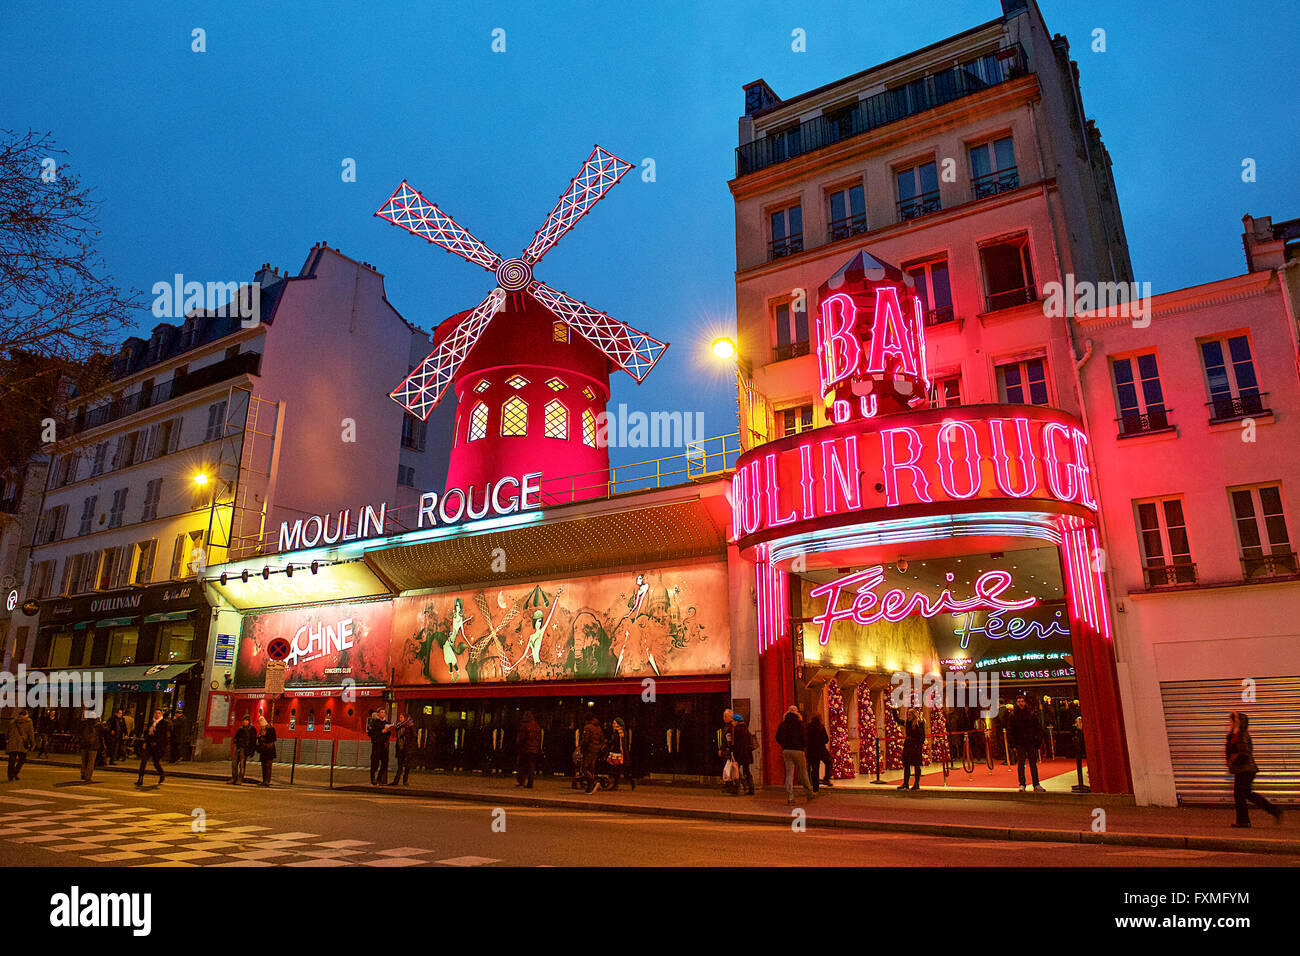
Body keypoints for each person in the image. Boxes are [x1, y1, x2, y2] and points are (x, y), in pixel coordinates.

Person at [1227, 711, 1282, 828]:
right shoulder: (1236, 735)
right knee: (1246, 794)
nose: (1229, 723)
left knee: (1240, 795)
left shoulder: (1241, 735)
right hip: (1243, 770)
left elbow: (1244, 753)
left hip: (1246, 770)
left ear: (1238, 723)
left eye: (1231, 721)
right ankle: (1273, 810)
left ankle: (1244, 821)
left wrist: (1233, 762)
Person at [775, 705, 815, 805]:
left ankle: (790, 797)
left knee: (789, 775)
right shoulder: (800, 723)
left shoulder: (783, 724)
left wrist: (784, 744)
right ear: (797, 712)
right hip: (798, 750)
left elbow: (778, 737)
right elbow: (805, 737)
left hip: (786, 750)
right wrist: (803, 745)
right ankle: (809, 792)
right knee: (803, 772)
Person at [1009, 695, 1045, 792]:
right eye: (1019, 701)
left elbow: (1038, 728)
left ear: (1025, 702)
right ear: (1017, 703)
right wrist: (1013, 744)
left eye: (1022, 701)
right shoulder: (1013, 715)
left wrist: (1037, 741)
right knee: (1021, 764)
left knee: (1033, 764)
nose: (1020, 703)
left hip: (1030, 742)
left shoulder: (1031, 714)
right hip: (1020, 742)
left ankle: (1036, 784)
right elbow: (1011, 730)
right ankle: (1022, 784)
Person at [136, 708, 170, 787]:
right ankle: (140, 778)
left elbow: (163, 735)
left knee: (156, 763)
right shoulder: (151, 723)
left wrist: (157, 742)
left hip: (158, 746)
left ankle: (161, 774)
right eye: (156, 713)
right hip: (149, 745)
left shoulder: (164, 723)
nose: (157, 715)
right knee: (143, 761)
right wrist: (145, 742)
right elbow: (147, 733)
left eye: (159, 713)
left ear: (161, 714)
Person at [894, 707, 926, 791]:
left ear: (913, 715)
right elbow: (897, 720)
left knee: (916, 765)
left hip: (916, 746)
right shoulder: (907, 723)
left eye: (909, 715)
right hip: (908, 745)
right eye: (907, 714)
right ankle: (905, 783)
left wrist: (919, 745)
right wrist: (894, 710)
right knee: (906, 765)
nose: (908, 716)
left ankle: (916, 784)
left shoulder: (919, 723)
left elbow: (922, 736)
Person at [579, 715, 606, 794]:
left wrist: (582, 748)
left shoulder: (588, 727)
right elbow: (602, 740)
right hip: (596, 750)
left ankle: (592, 782)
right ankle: (589, 787)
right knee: (591, 768)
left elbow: (586, 740)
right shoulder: (599, 728)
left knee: (584, 768)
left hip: (589, 750)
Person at [516, 710, 543, 789]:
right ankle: (530, 782)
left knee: (522, 765)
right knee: (532, 766)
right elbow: (539, 738)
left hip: (525, 749)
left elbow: (521, 738)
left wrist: (519, 745)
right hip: (534, 749)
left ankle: (521, 780)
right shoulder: (537, 726)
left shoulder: (524, 726)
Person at [5, 709, 35, 781]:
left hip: (12, 742)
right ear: (26, 715)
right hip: (22, 743)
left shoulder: (12, 721)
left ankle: (10, 774)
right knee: (22, 759)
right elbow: (31, 733)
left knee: (12, 760)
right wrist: (32, 743)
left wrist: (7, 739)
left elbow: (7, 732)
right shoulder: (28, 722)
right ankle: (15, 772)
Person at [806, 715, 833, 792]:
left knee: (814, 769)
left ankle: (815, 788)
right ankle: (826, 778)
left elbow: (805, 738)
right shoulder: (821, 727)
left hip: (811, 750)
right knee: (829, 762)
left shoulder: (808, 727)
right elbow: (826, 739)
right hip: (821, 749)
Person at [368, 708, 394, 785]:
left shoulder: (386, 723)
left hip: (384, 746)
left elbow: (388, 734)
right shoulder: (375, 723)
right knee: (375, 763)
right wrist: (381, 732)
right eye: (381, 712)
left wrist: (387, 731)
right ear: (378, 714)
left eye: (384, 712)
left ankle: (379, 778)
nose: (383, 713)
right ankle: (373, 779)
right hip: (376, 745)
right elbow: (371, 733)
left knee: (385, 763)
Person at [607, 717, 634, 791]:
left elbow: (621, 743)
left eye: (614, 723)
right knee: (617, 769)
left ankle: (617, 784)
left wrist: (611, 743)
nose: (613, 725)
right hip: (616, 752)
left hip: (618, 753)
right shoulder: (618, 731)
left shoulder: (619, 732)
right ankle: (627, 781)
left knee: (617, 769)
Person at [731, 713, 755, 795]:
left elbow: (734, 743)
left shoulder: (736, 729)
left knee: (736, 770)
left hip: (739, 753)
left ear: (736, 721)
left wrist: (733, 753)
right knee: (747, 771)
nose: (732, 723)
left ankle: (741, 786)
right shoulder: (745, 728)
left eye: (733, 721)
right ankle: (751, 787)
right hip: (747, 753)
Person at [392, 717, 418, 786]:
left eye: (402, 717)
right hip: (400, 748)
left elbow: (414, 736)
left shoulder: (410, 726)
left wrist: (410, 746)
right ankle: (396, 781)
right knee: (399, 766)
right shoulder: (398, 726)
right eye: (399, 717)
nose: (400, 719)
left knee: (407, 766)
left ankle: (405, 781)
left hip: (407, 748)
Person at [77, 713, 103, 783]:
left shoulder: (84, 724)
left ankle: (83, 773)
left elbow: (79, 732)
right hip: (93, 746)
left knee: (84, 761)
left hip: (84, 745)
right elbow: (106, 731)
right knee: (90, 762)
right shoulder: (98, 725)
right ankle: (88, 777)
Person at [230, 715, 256, 785]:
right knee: (234, 763)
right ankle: (234, 778)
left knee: (242, 765)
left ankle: (240, 779)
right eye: (244, 720)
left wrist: (251, 751)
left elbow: (253, 741)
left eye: (246, 720)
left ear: (249, 721)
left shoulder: (252, 729)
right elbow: (235, 737)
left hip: (244, 748)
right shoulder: (240, 729)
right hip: (238, 747)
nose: (245, 722)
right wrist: (236, 740)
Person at [718, 708, 737, 795]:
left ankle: (731, 787)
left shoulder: (729, 727)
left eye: (725, 716)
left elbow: (728, 740)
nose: (723, 718)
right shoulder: (731, 726)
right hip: (729, 750)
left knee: (729, 769)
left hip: (728, 751)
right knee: (730, 769)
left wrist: (723, 748)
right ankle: (731, 786)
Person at [255, 716, 277, 786]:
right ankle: (264, 780)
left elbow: (272, 738)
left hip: (269, 751)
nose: (262, 728)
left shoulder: (270, 729)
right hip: (264, 751)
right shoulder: (263, 730)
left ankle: (267, 781)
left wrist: (262, 739)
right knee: (264, 766)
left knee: (268, 766)